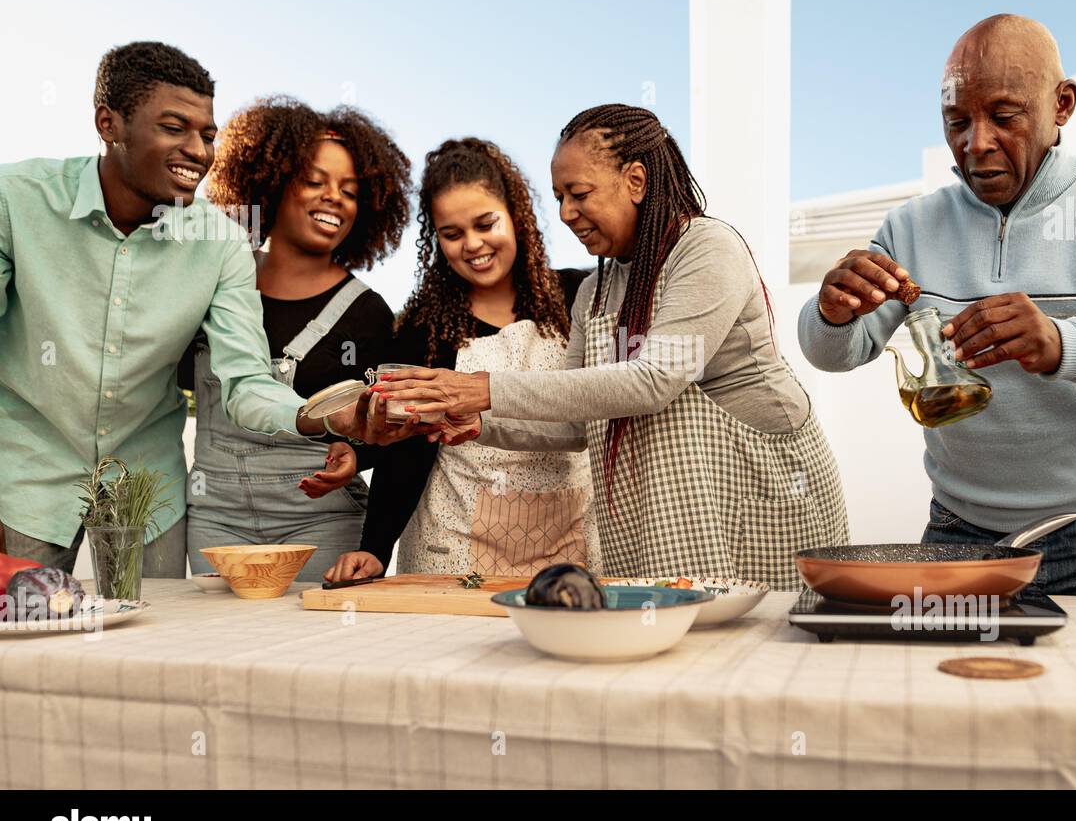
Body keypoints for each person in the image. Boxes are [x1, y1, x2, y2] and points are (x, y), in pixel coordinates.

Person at [797, 14, 1076, 598]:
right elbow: (835, 353)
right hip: (956, 537)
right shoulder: (911, 227)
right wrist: (830, 312)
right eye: (957, 122)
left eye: (1003, 116)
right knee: (954, 690)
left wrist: (1061, 343)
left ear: (1063, 104)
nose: (976, 143)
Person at [371, 106, 849, 590]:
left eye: (579, 194)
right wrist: (479, 423)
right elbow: (575, 421)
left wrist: (481, 389)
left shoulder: (706, 249)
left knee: (766, 647)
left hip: (758, 489)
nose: (565, 213)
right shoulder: (596, 290)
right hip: (678, 504)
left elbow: (655, 380)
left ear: (636, 180)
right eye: (559, 198)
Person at [0, 42, 406, 576]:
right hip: (22, 480)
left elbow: (246, 382)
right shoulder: (16, 200)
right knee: (19, 644)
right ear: (108, 123)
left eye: (208, 134)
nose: (198, 150)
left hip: (149, 492)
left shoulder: (220, 243)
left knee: (157, 646)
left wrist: (326, 417)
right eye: (174, 127)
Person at [324, 138, 596, 583]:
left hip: (569, 541)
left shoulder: (579, 296)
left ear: (516, 217)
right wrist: (375, 547)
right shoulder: (421, 329)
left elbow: (601, 407)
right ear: (436, 239)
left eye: (486, 224)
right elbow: (408, 447)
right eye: (452, 234)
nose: (473, 244)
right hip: (454, 545)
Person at [181, 98, 410, 583]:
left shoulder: (367, 313)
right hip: (214, 517)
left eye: (350, 190)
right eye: (314, 181)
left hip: (322, 518)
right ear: (271, 181)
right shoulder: (209, 277)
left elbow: (384, 428)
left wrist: (356, 458)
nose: (334, 198)